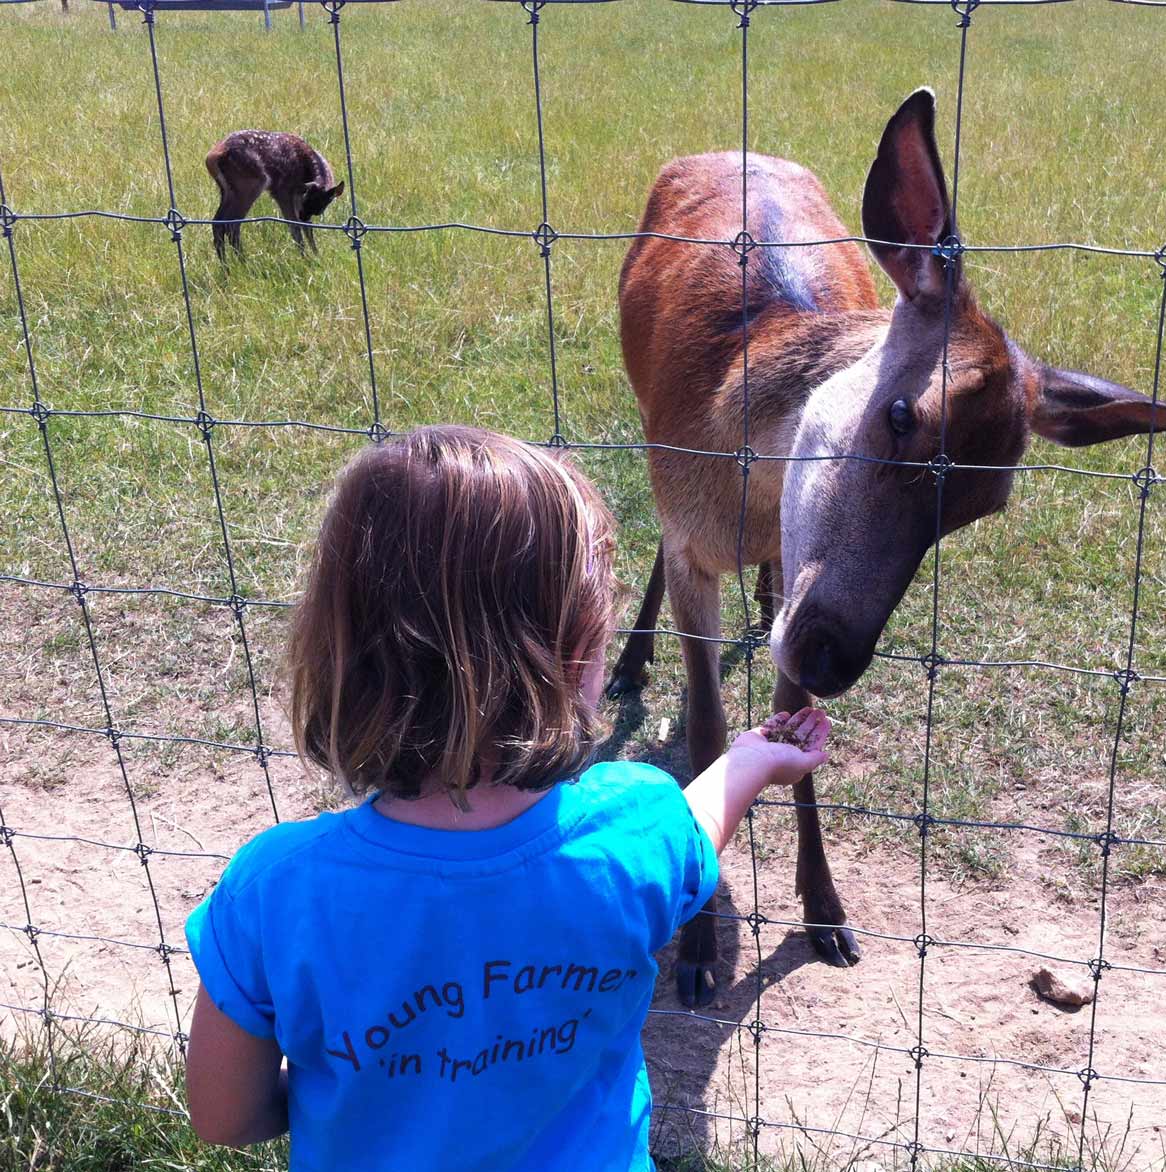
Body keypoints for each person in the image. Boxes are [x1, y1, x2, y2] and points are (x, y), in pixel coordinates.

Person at [184, 425, 830, 1170]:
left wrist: (349, 1089)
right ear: (579, 657)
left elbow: (224, 1115)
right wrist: (749, 763)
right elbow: (694, 829)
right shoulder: (635, 829)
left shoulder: (276, 891)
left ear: (342, 650)